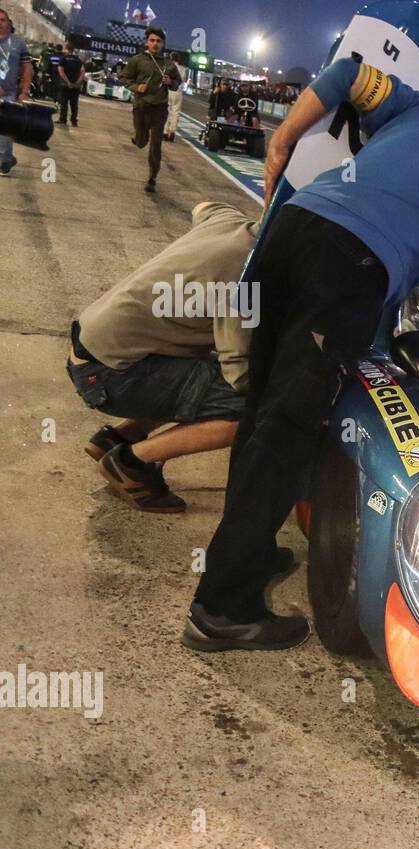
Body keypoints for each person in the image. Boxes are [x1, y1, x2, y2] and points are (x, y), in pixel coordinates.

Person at [184, 59, 419, 652]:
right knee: (288, 429)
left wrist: (283, 140)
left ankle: (251, 551)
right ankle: (220, 609)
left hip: (291, 231)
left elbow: (347, 71)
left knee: (263, 405)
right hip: (347, 269)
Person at [67, 202, 259, 512]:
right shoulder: (248, 278)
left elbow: (203, 206)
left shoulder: (230, 220)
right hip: (112, 375)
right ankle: (129, 464)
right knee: (250, 409)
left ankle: (117, 438)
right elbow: (238, 372)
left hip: (91, 349)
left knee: (202, 378)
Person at [118, 26, 181, 193]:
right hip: (141, 106)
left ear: (163, 44)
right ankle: (139, 138)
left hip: (159, 109)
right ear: (147, 42)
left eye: (158, 41)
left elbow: (177, 84)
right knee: (141, 142)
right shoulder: (137, 60)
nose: (155, 44)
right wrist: (135, 86)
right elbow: (123, 77)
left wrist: (170, 83)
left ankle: (152, 178)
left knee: (156, 146)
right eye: (152, 40)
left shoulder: (169, 64)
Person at [0, 7, 34, 176]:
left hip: (9, 95)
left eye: (2, 20)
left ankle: (5, 161)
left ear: (8, 24)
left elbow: (27, 68)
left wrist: (25, 91)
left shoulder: (18, 43)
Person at [55, 46, 85, 127]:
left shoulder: (63, 58)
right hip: (76, 87)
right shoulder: (78, 60)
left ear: (67, 49)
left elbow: (61, 71)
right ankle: (74, 121)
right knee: (74, 104)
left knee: (64, 103)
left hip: (64, 85)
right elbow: (82, 73)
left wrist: (68, 82)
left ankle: (63, 120)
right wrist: (76, 83)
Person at [163, 51, 186, 141]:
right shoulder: (183, 69)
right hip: (178, 92)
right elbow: (183, 79)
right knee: (176, 112)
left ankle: (165, 132)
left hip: (168, 90)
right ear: (178, 59)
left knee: (166, 111)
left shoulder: (168, 67)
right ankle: (172, 131)